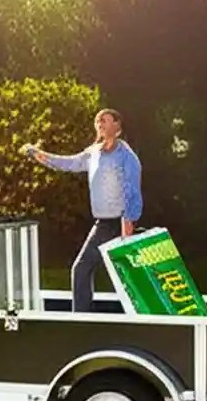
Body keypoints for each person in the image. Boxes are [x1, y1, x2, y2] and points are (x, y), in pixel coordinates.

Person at [21, 108, 142, 313]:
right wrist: (38, 154)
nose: (100, 124)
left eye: (105, 120)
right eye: (97, 121)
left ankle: (88, 318)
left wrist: (127, 227)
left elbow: (132, 191)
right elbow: (67, 163)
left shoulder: (126, 156)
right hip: (102, 224)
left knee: (87, 269)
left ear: (117, 126)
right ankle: (84, 318)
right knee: (89, 270)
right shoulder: (93, 153)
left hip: (120, 223)